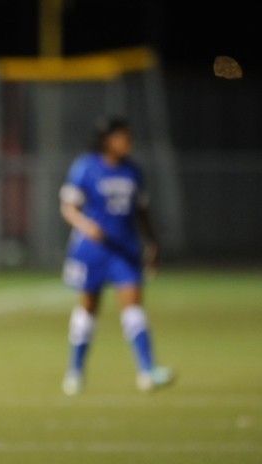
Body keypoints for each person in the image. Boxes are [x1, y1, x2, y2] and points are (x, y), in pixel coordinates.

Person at [59, 115, 174, 395]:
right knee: (88, 308)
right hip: (93, 251)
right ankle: (75, 371)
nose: (128, 142)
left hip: (124, 249)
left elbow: (142, 211)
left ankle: (147, 371)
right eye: (123, 137)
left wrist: (152, 243)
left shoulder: (133, 171)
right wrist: (88, 227)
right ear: (108, 141)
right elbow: (68, 207)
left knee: (133, 306)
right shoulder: (85, 167)